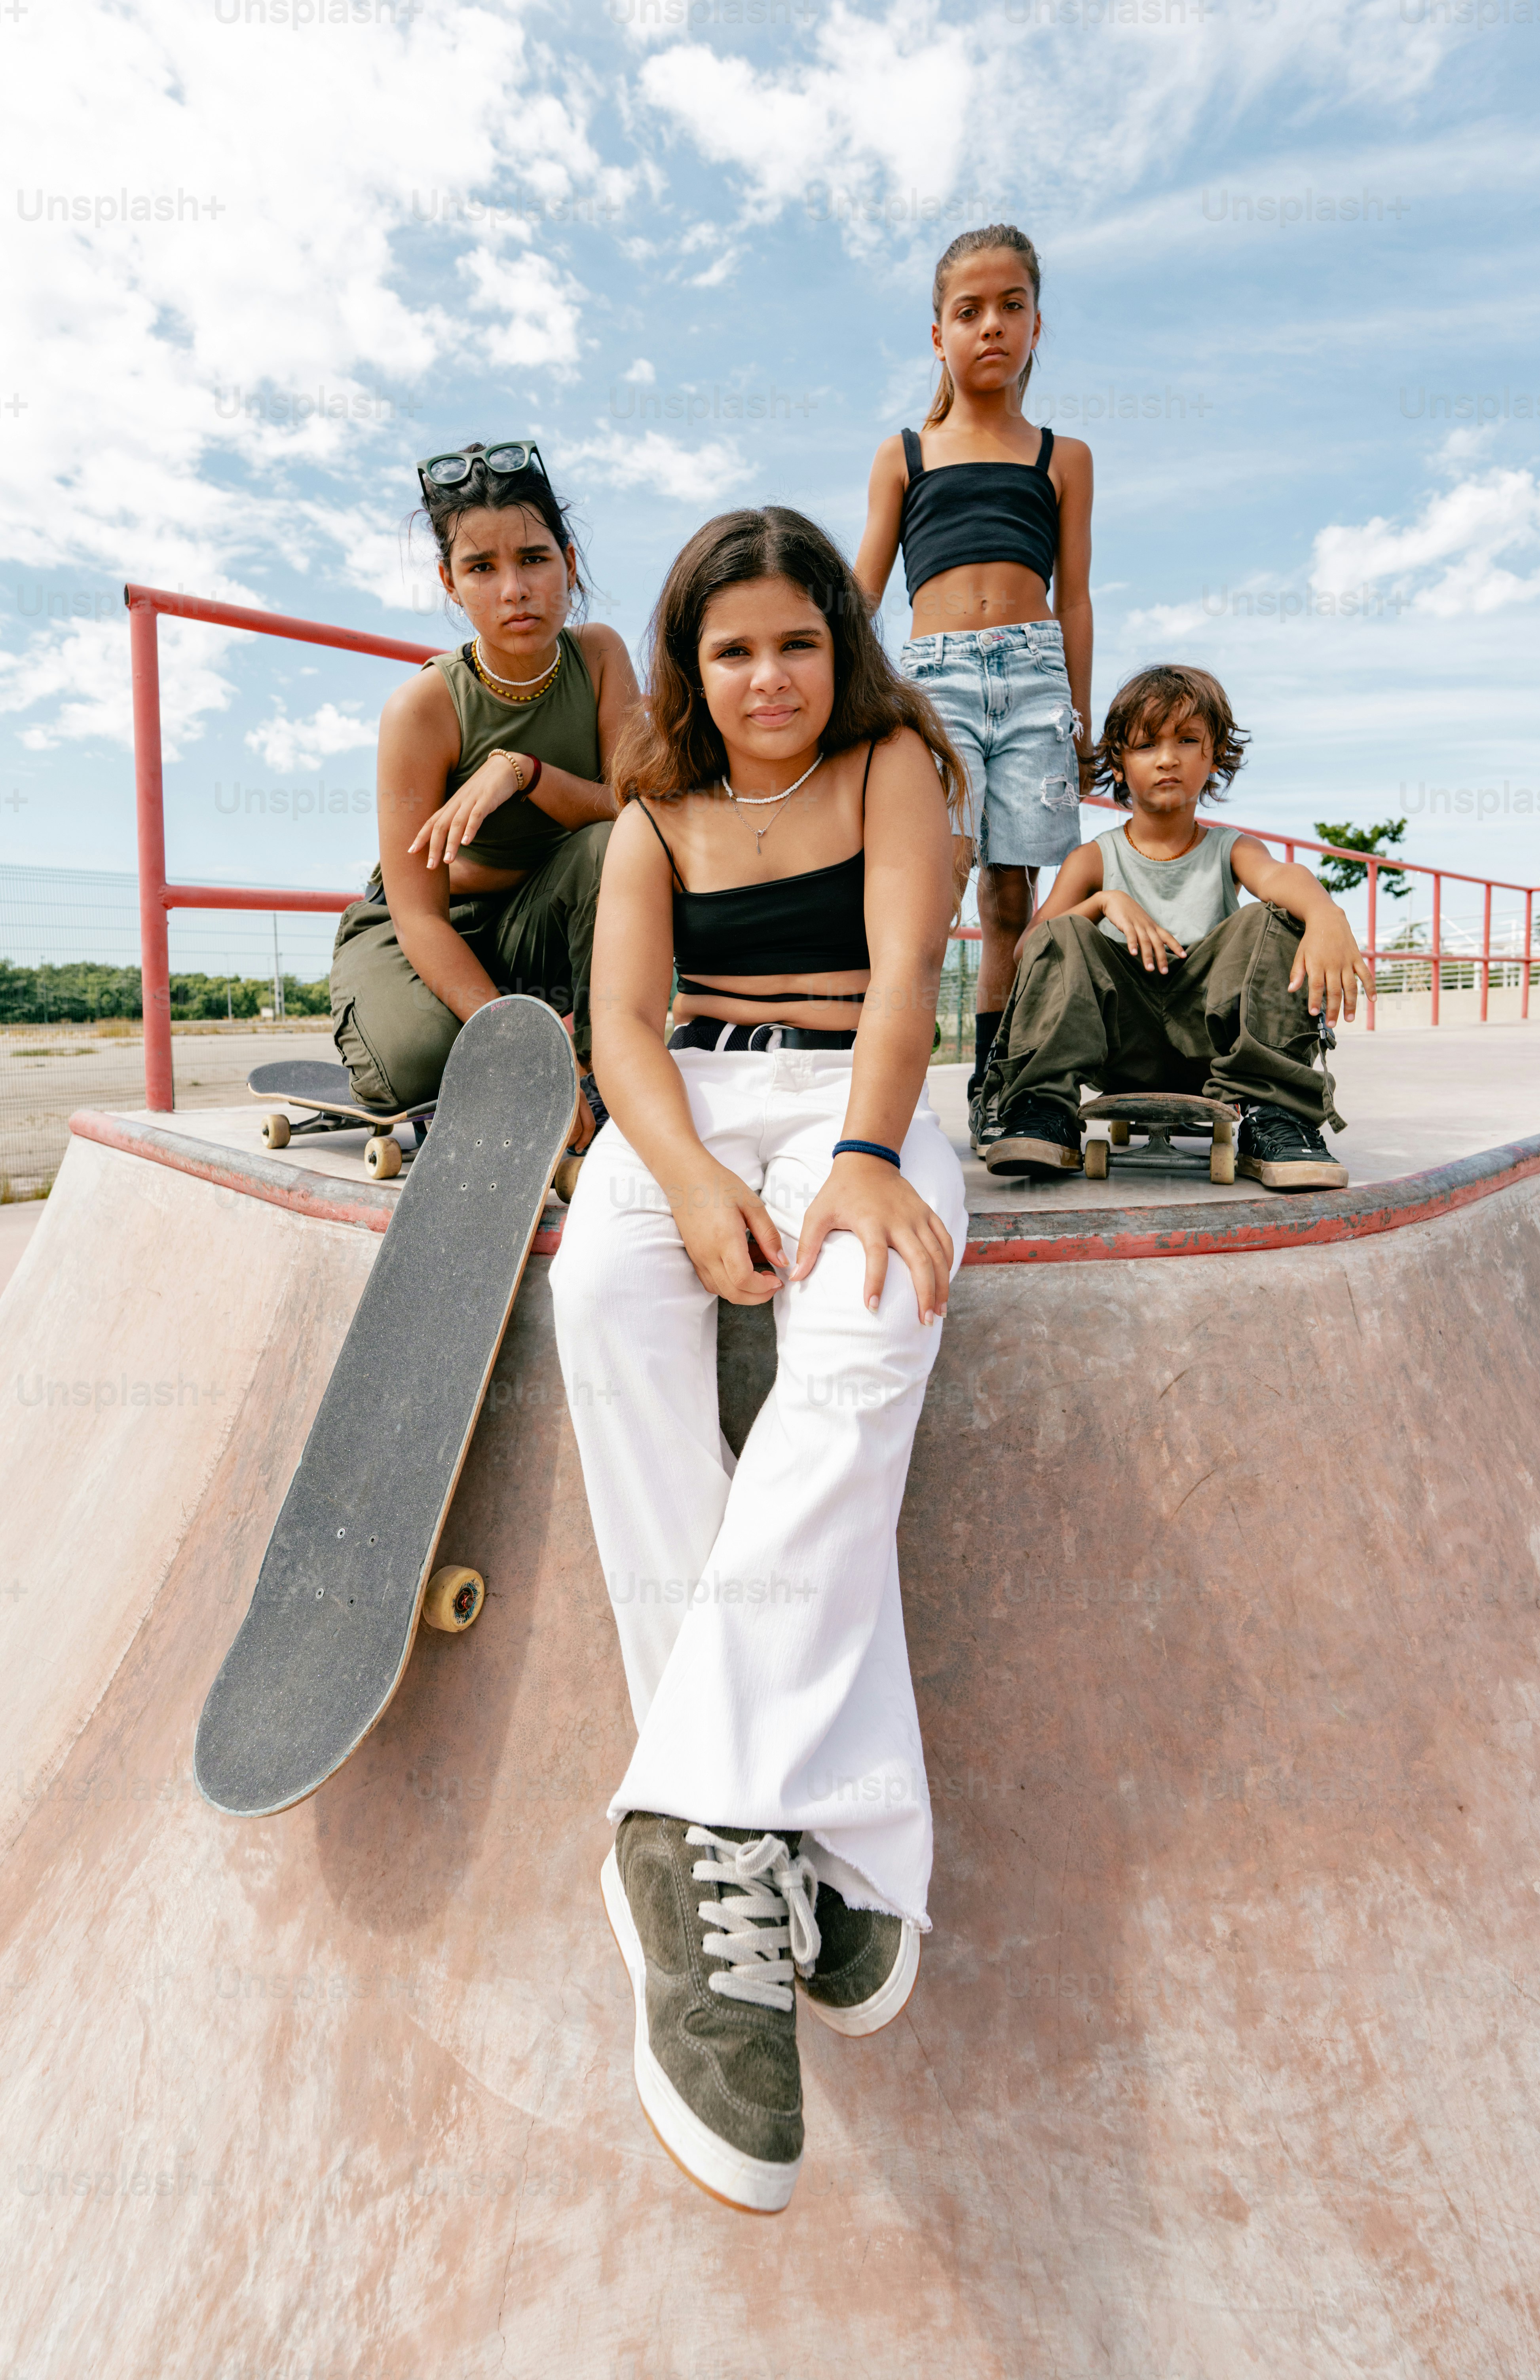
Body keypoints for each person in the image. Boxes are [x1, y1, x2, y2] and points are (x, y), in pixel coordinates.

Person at [548, 505, 968, 2213]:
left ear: (835, 649)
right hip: (694, 1109)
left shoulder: (889, 769)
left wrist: (863, 1155)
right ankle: (817, 1839)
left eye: (796, 640)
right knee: (597, 1301)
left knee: (864, 1328)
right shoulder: (650, 813)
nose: (768, 674)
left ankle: (681, 1819)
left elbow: (902, 985)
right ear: (690, 664)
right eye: (733, 649)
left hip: (852, 1104)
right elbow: (622, 1024)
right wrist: (689, 1177)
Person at [853, 220, 1095, 1147]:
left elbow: (1073, 597)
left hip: (1035, 679)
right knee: (933, 883)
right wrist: (864, 705)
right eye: (968, 311)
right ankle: (895, 1089)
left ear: (1036, 324)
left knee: (1010, 895)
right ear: (938, 335)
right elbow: (862, 595)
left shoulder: (1060, 458)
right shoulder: (904, 455)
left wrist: (1076, 708)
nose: (990, 325)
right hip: (935, 686)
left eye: (1011, 306)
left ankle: (1004, 1088)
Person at [329, 442, 638, 1157]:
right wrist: (525, 1057)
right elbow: (419, 914)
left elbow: (635, 813)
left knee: (615, 846)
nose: (514, 590)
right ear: (448, 581)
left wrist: (523, 771)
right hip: (429, 933)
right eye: (480, 567)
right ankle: (521, 1046)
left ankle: (606, 1071)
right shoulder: (422, 708)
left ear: (566, 558)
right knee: (416, 1063)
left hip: (540, 918)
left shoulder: (599, 656)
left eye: (533, 559)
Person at [980, 663, 1371, 1191]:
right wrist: (1101, 902)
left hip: (1211, 1050)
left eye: (1188, 740)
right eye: (1146, 745)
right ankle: (1043, 1108)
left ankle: (1276, 1115)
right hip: (1121, 1047)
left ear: (1212, 758)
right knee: (1062, 930)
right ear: (1118, 764)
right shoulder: (1093, 859)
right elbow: (1031, 949)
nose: (1167, 758)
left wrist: (1327, 913)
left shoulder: (1232, 848)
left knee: (1274, 916)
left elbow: (1283, 877)